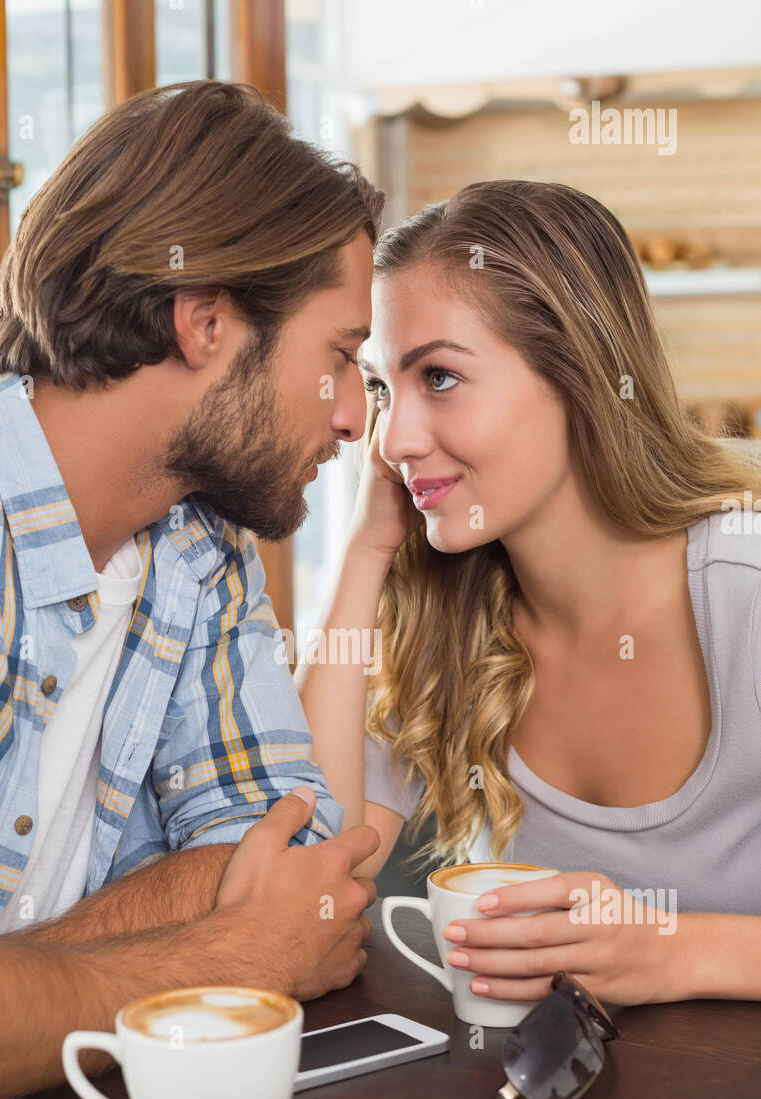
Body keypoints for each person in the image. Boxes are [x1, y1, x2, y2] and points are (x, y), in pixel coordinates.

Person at [0, 80, 384, 1099]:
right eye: (338, 358)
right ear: (205, 321)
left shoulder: (199, 536)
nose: (352, 419)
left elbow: (288, 853)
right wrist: (231, 950)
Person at [296, 179, 761, 1009]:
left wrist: (672, 953)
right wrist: (366, 551)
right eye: (380, 390)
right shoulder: (446, 614)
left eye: (438, 377)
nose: (394, 439)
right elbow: (320, 876)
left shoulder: (746, 597)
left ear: (579, 372)